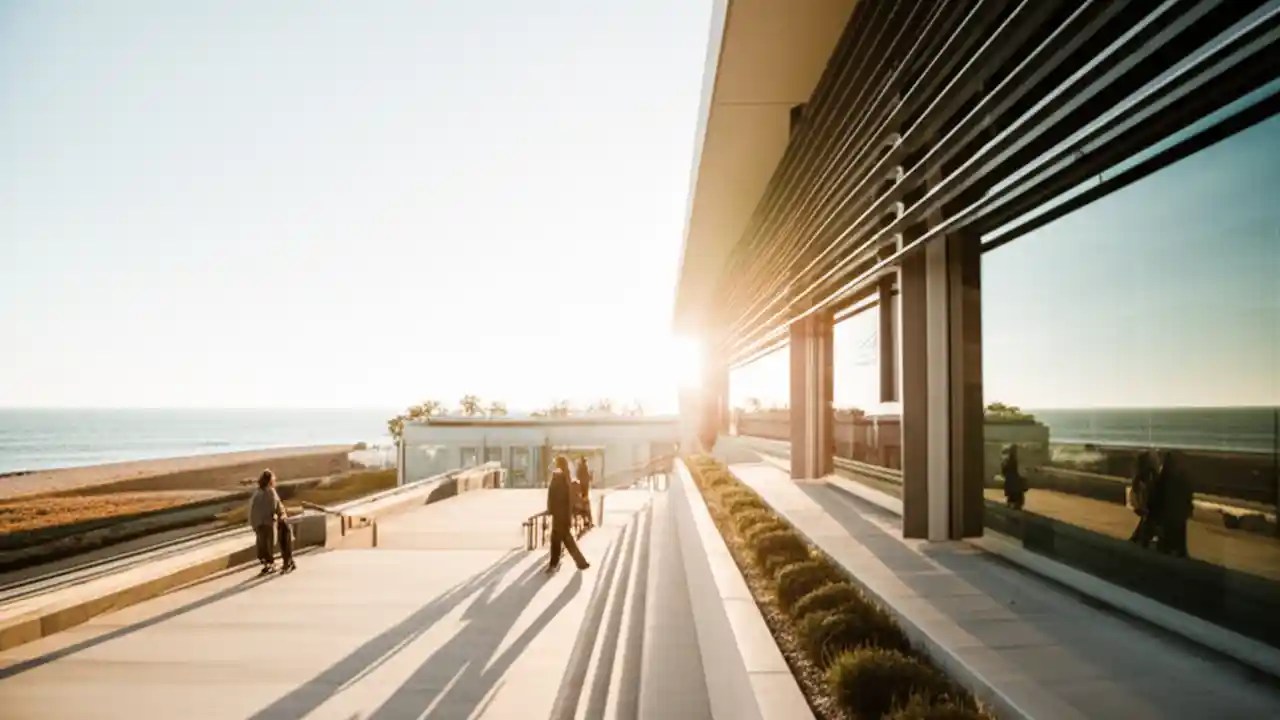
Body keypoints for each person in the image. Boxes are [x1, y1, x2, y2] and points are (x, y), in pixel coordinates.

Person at [546, 455, 590, 573]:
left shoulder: (559, 478)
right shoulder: (564, 476)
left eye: (555, 463)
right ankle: (556, 563)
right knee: (559, 540)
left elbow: (555, 497)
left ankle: (578, 563)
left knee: (564, 540)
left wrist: (551, 509)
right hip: (562, 515)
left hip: (560, 515)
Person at [1154, 452, 1192, 558]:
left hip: (1170, 512)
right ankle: (1176, 551)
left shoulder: (1165, 477)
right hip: (1176, 512)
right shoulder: (1181, 476)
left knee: (1168, 534)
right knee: (1177, 533)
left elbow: (1158, 495)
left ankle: (1167, 550)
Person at [249, 469, 285, 575]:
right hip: (267, 522)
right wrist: (281, 514)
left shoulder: (257, 493)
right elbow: (277, 505)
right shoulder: (270, 491)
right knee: (268, 544)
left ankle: (266, 564)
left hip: (258, 523)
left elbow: (252, 509)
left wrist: (253, 523)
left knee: (262, 544)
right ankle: (270, 564)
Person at [1127, 451, 1157, 547]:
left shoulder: (1140, 477)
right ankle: (1141, 540)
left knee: (1147, 520)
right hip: (1147, 505)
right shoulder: (1150, 476)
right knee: (1148, 520)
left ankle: (1138, 538)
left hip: (1143, 504)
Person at [1001, 444, 1026, 510]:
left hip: (1011, 480)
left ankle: (1012, 507)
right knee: (1015, 496)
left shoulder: (1007, 459)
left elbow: (1004, 470)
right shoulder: (1012, 460)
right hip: (1013, 480)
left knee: (1013, 496)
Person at [573, 456, 594, 531]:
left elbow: (580, 477)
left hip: (582, 491)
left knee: (584, 507)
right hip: (584, 491)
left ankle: (586, 521)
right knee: (585, 507)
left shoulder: (581, 468)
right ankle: (588, 521)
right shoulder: (583, 469)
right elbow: (585, 480)